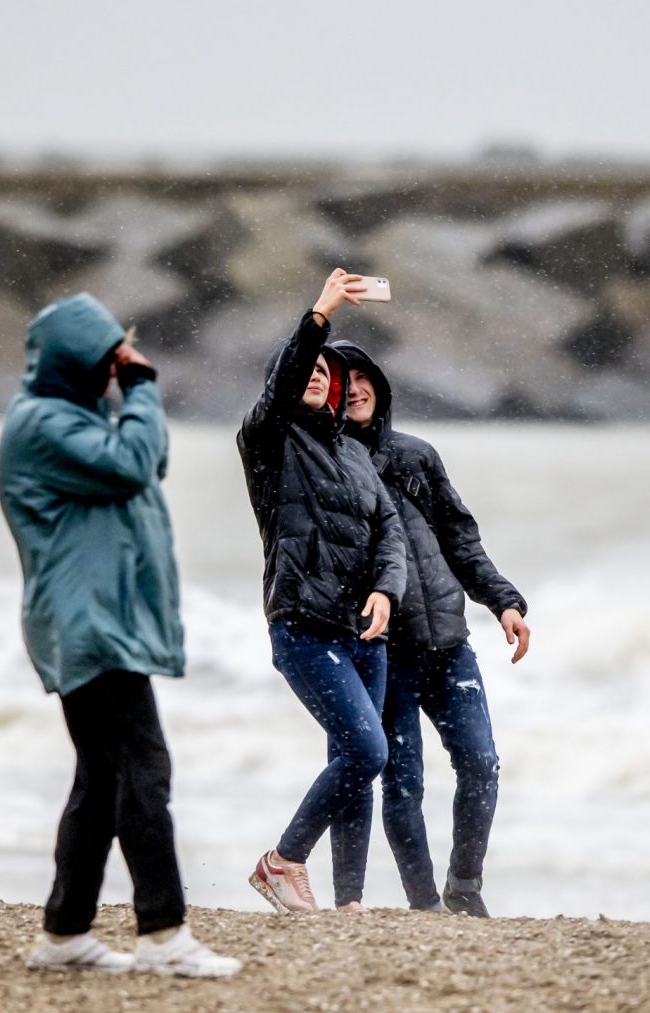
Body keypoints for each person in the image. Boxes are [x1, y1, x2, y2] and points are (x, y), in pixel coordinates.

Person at [0, 292, 240, 977]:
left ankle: (65, 932)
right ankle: (164, 934)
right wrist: (140, 387)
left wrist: (129, 395)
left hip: (97, 619)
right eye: (110, 358)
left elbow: (144, 458)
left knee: (102, 779)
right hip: (88, 623)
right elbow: (137, 461)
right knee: (144, 767)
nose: (121, 369)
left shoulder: (74, 416)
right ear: (82, 361)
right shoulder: (43, 423)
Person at [328, 338, 532, 918]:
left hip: (448, 643)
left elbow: (462, 542)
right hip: (380, 652)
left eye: (364, 376)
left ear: (380, 386)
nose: (357, 387)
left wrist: (504, 602)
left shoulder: (416, 456)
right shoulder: (327, 467)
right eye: (343, 379)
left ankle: (464, 888)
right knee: (404, 782)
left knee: (482, 762)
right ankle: (425, 906)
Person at [237, 270, 408, 914]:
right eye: (308, 368)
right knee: (368, 748)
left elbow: (389, 532)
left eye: (325, 373)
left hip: (366, 629)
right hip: (303, 623)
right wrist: (320, 313)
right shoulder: (269, 438)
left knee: (356, 765)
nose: (316, 375)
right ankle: (281, 863)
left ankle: (350, 902)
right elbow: (287, 379)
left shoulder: (357, 455)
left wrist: (387, 592)